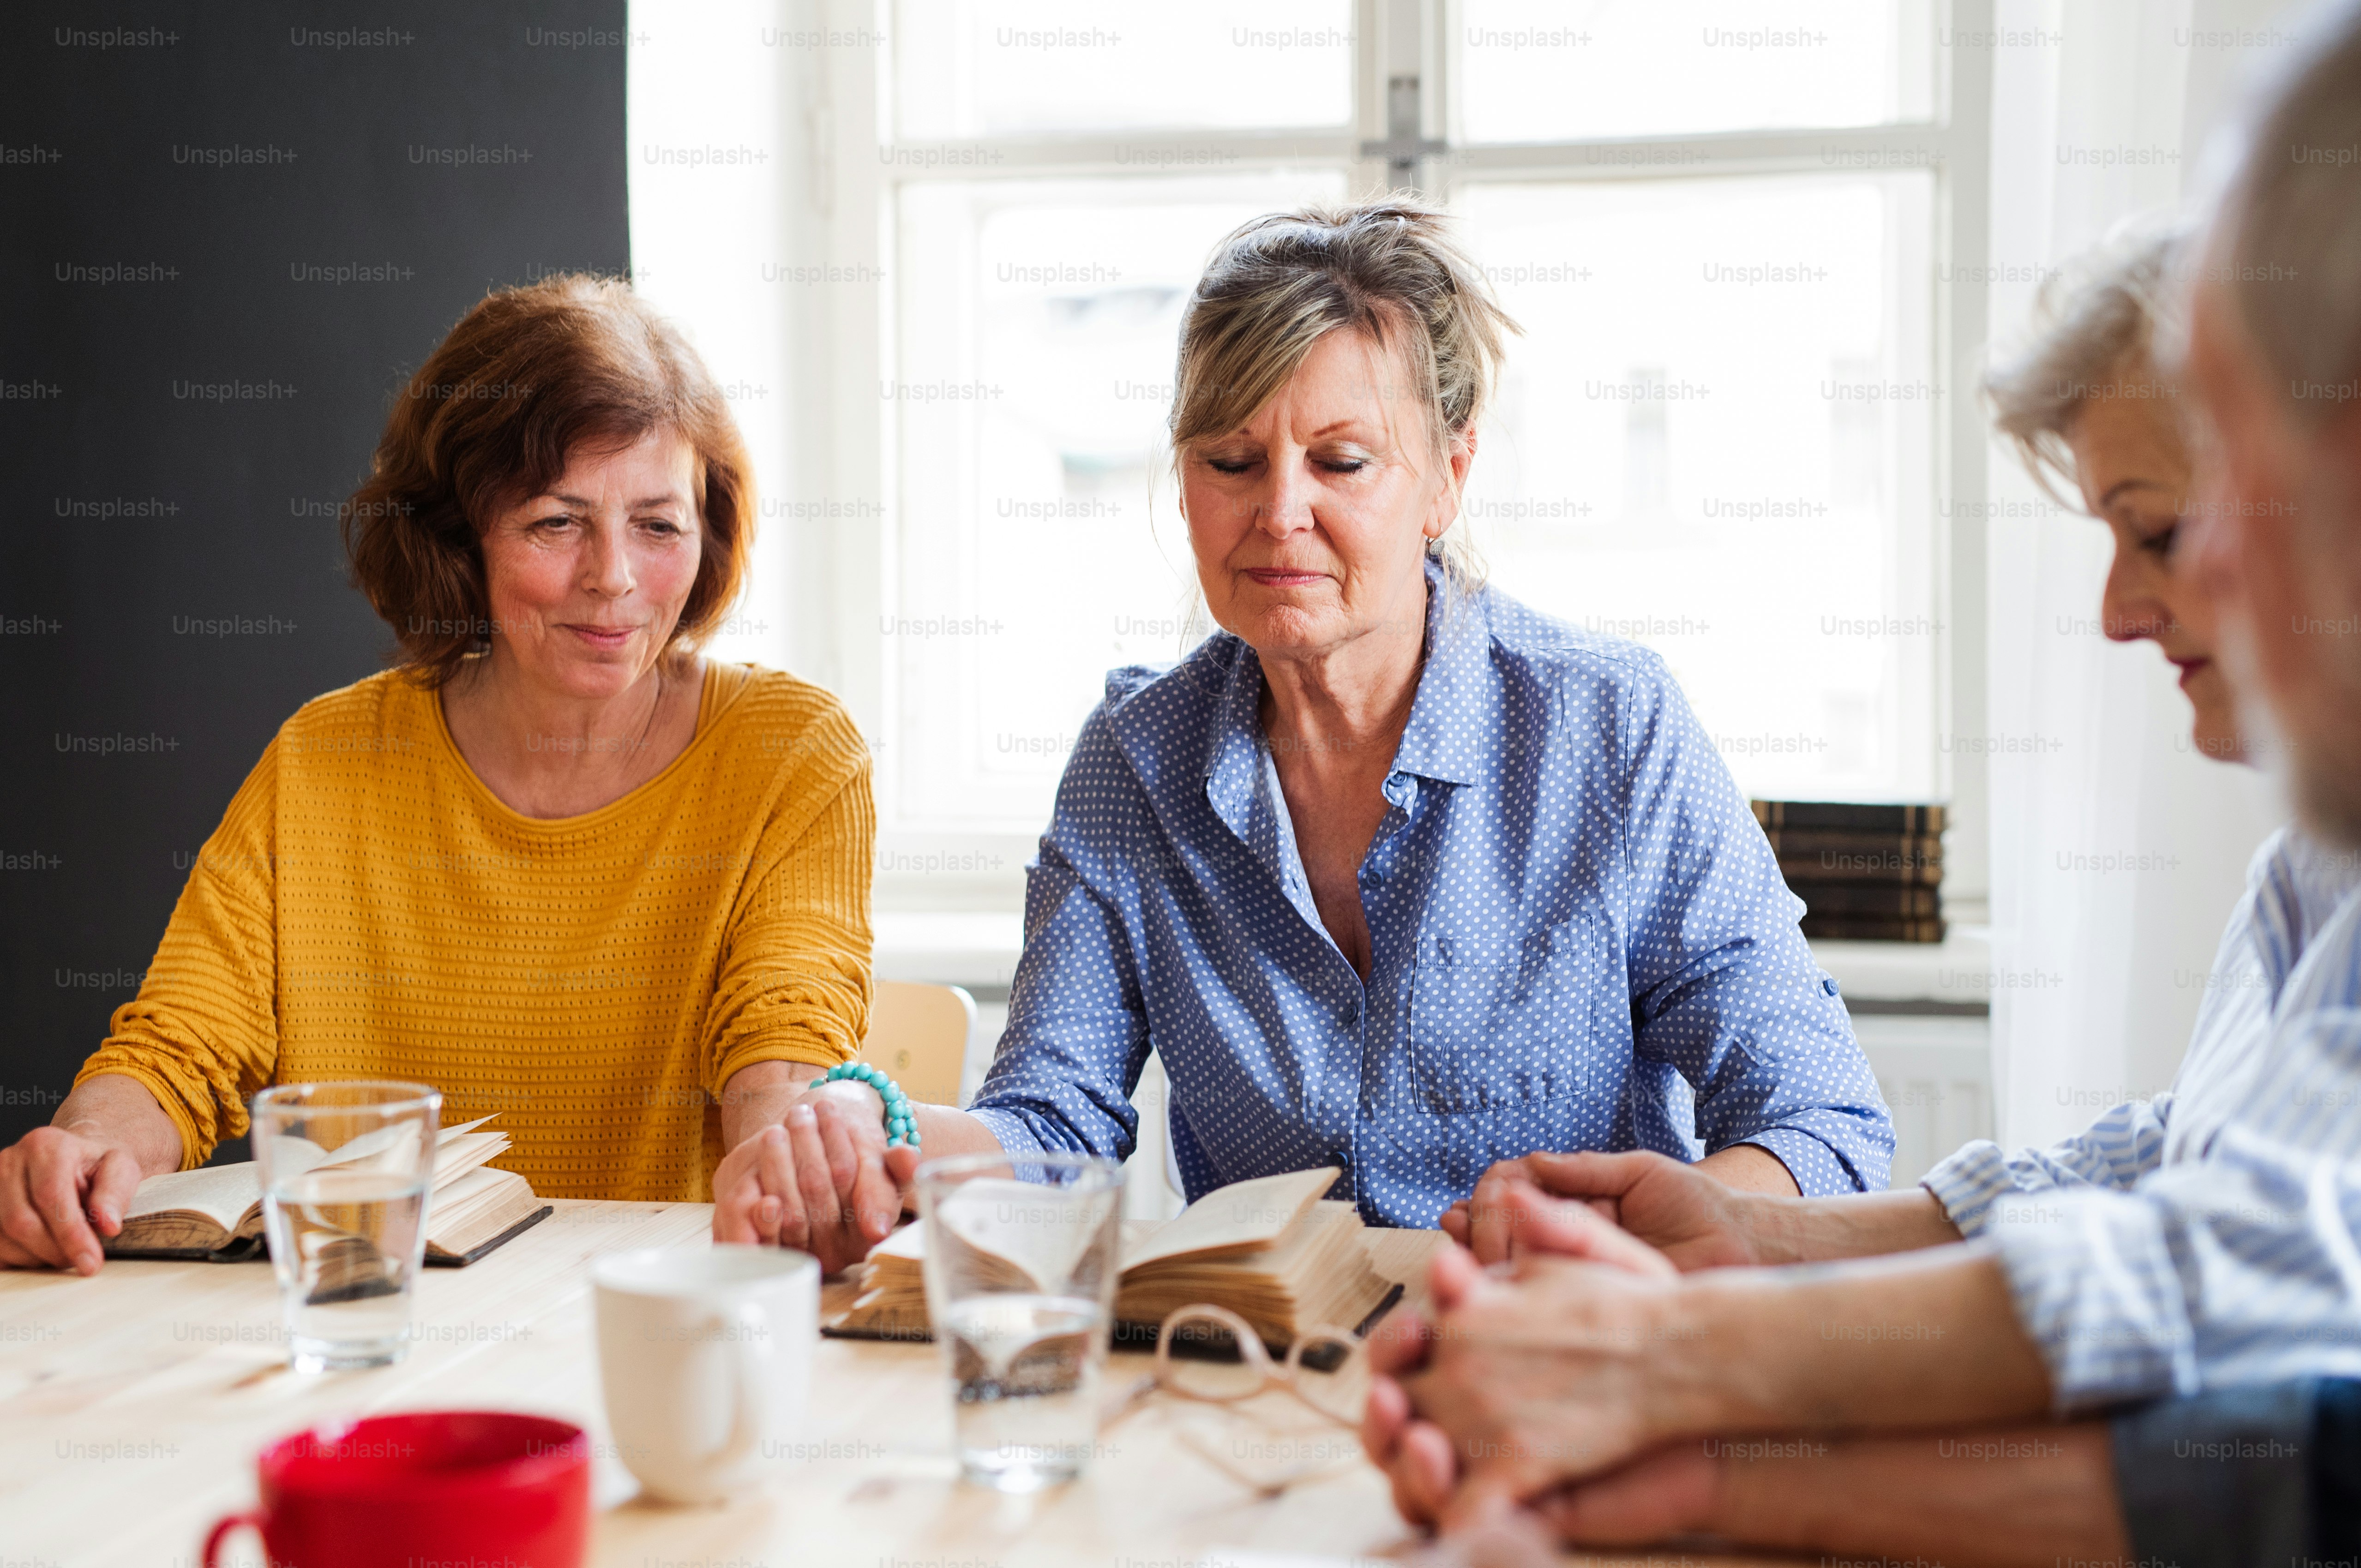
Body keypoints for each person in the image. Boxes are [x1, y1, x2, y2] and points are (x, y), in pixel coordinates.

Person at [1361, 9, 2361, 1562]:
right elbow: (2199, 1174)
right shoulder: (2316, 861)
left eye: (2168, 523)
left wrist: (1672, 1359)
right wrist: (1758, 1250)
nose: (2118, 606)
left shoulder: (1605, 712)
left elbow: (2274, 1258)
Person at [873, 199, 1894, 1230]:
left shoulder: (1607, 728)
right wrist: (878, 1134)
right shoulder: (1136, 760)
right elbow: (1052, 1126)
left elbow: (1819, 1121)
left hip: (1565, 1345)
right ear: (1183, 487)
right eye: (1230, 461)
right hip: (1258, 1364)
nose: (1278, 512)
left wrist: (1637, 1240)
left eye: (1341, 462)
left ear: (1447, 477)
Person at [0, 275, 910, 1276]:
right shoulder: (326, 758)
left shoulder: (789, 750)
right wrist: (83, 1151)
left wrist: (793, 1151)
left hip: (652, 1320)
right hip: (369, 1321)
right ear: (457, 538)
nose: (613, 576)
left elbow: (780, 1048)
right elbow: (177, 1049)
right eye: (556, 523)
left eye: (658, 525)